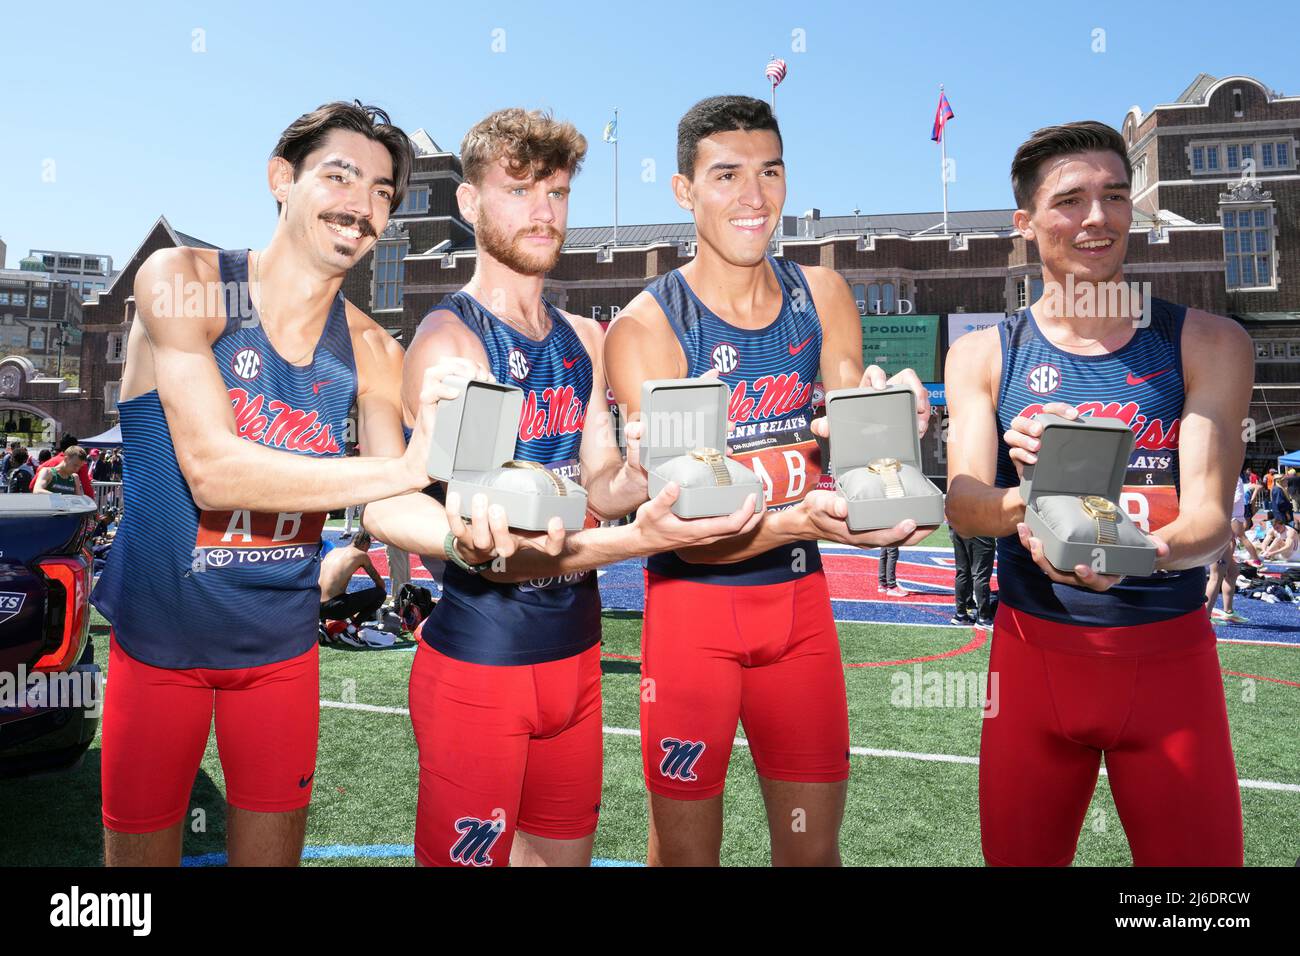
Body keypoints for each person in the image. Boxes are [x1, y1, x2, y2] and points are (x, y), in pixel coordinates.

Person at [88, 101, 549, 869]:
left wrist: (460, 537)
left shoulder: (371, 346)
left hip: (282, 651)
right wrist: (413, 465)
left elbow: (391, 504)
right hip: (159, 645)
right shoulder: (186, 282)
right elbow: (213, 470)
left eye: (381, 192)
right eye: (340, 176)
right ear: (281, 179)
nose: (361, 204)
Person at [360, 107, 763, 868]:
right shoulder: (450, 342)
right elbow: (492, 548)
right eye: (519, 190)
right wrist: (642, 538)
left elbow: (598, 486)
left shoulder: (585, 338)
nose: (544, 211)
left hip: (577, 657)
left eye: (557, 191)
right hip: (482, 661)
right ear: (470, 202)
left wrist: (649, 471)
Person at [604, 95, 934, 867]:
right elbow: (690, 532)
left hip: (800, 610)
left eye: (770, 172)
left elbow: (859, 451)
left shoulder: (823, 294)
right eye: (727, 175)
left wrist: (896, 427)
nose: (754, 196)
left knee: (813, 856)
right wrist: (801, 519)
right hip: (692, 617)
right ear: (684, 191)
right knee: (686, 859)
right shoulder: (646, 326)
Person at [945, 120, 1251, 866]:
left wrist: (1136, 553)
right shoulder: (985, 352)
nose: (1098, 217)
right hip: (1032, 661)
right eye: (1070, 200)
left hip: (1169, 663)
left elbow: (1210, 518)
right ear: (1024, 223)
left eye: (1115, 196)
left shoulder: (1209, 342)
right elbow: (965, 505)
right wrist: (1035, 495)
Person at [318, 530, 386, 623]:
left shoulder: (332, 552)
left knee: (337, 595)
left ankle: (323, 623)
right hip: (334, 608)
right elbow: (379, 582)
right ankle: (353, 628)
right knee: (381, 593)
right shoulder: (361, 554)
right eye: (368, 547)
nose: (367, 551)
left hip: (315, 607)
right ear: (365, 544)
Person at [950, 529, 995, 627]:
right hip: (980, 528)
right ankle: (984, 618)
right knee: (980, 575)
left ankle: (961, 614)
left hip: (959, 527)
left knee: (962, 572)